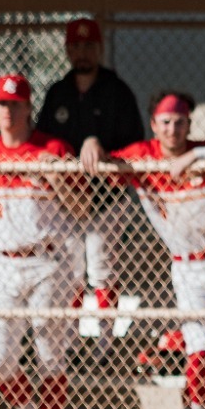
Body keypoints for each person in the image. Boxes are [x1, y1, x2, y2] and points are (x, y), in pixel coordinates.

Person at [85, 92, 205, 409]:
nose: (173, 129)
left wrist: (198, 156)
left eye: (180, 121)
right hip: (187, 267)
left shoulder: (204, 151)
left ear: (189, 124)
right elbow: (105, 160)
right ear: (153, 125)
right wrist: (92, 141)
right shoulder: (143, 156)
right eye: (165, 122)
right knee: (200, 347)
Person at [0, 74, 89, 409]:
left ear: (28, 106)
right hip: (1, 264)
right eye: (2, 103)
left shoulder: (51, 147)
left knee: (50, 352)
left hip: (47, 262)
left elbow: (82, 208)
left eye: (16, 103)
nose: (8, 110)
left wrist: (57, 178)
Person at [34, 17, 144, 348]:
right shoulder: (58, 92)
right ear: (68, 50)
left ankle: (104, 346)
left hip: (106, 197)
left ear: (100, 49)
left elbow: (135, 144)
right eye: (76, 46)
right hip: (66, 198)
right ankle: (70, 343)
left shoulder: (117, 90)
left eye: (89, 46)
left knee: (101, 269)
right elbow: (44, 140)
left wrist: (101, 148)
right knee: (69, 270)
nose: (82, 53)